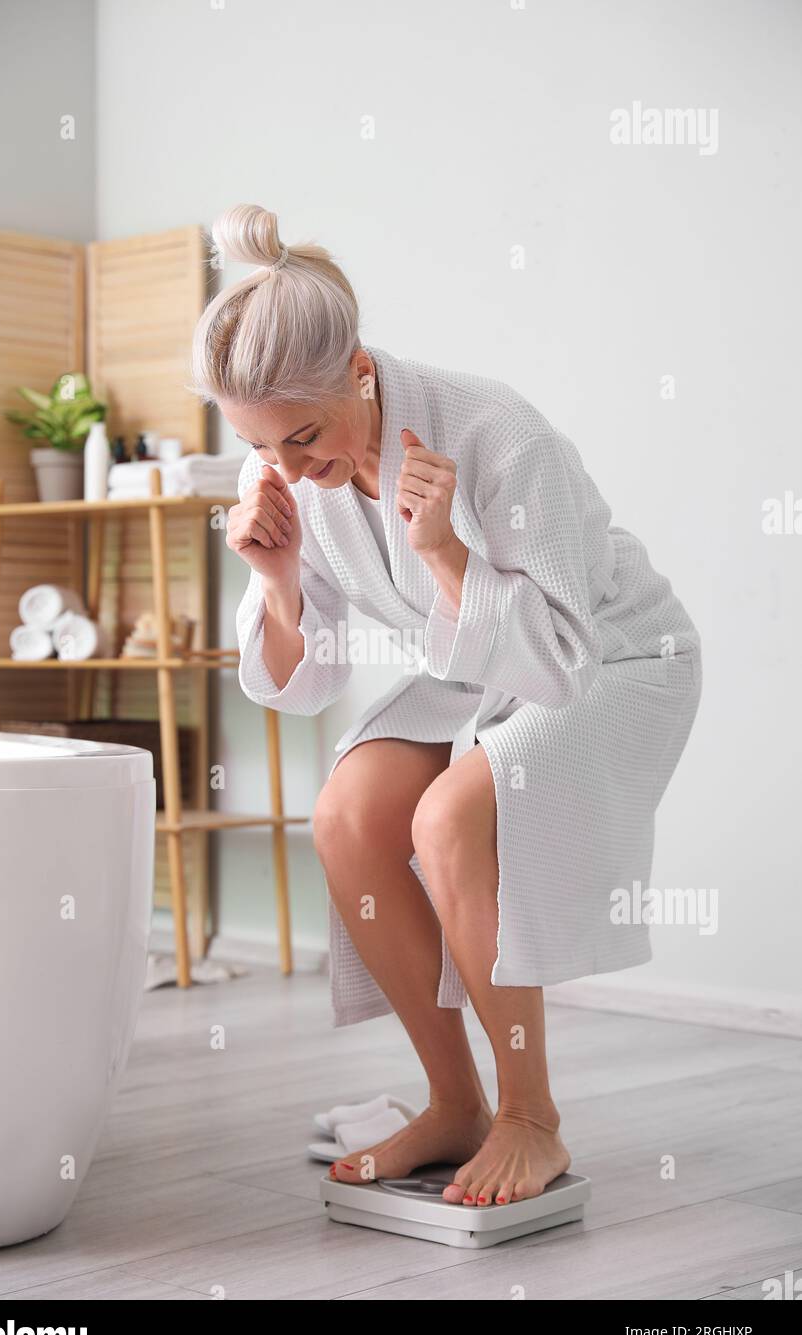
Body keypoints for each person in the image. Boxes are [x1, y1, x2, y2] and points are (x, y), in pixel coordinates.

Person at [192, 204, 702, 1207]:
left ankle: (529, 1117)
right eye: (259, 448)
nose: (287, 469)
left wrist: (446, 553)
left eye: (301, 438)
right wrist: (284, 576)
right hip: (476, 666)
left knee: (449, 817)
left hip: (610, 655)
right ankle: (453, 1100)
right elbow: (311, 680)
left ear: (360, 373)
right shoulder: (296, 466)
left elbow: (559, 655)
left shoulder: (501, 438)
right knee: (343, 813)